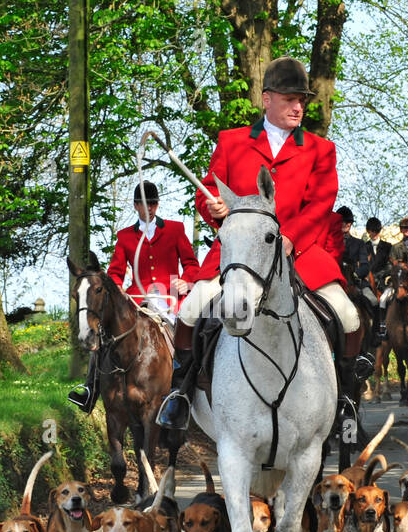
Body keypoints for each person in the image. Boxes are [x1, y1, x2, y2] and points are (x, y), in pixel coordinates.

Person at [156, 55, 371, 432]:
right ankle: (182, 393)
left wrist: (290, 238)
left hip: (298, 250)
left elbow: (321, 204)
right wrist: (215, 209)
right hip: (239, 254)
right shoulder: (231, 142)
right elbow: (208, 193)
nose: (298, 106)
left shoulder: (321, 149)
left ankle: (346, 400)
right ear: (267, 99)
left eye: (302, 99)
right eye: (290, 98)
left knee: (349, 315)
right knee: (191, 310)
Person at [67, 180, 200, 412]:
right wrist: (116, 286)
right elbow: (115, 272)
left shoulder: (176, 229)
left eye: (153, 204)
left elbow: (191, 263)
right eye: (143, 204)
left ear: (157, 205)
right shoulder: (125, 235)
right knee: (106, 336)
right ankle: (90, 389)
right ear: (135, 206)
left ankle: (183, 391)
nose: (148, 208)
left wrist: (186, 280)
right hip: (136, 300)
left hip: (168, 300)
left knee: (185, 335)